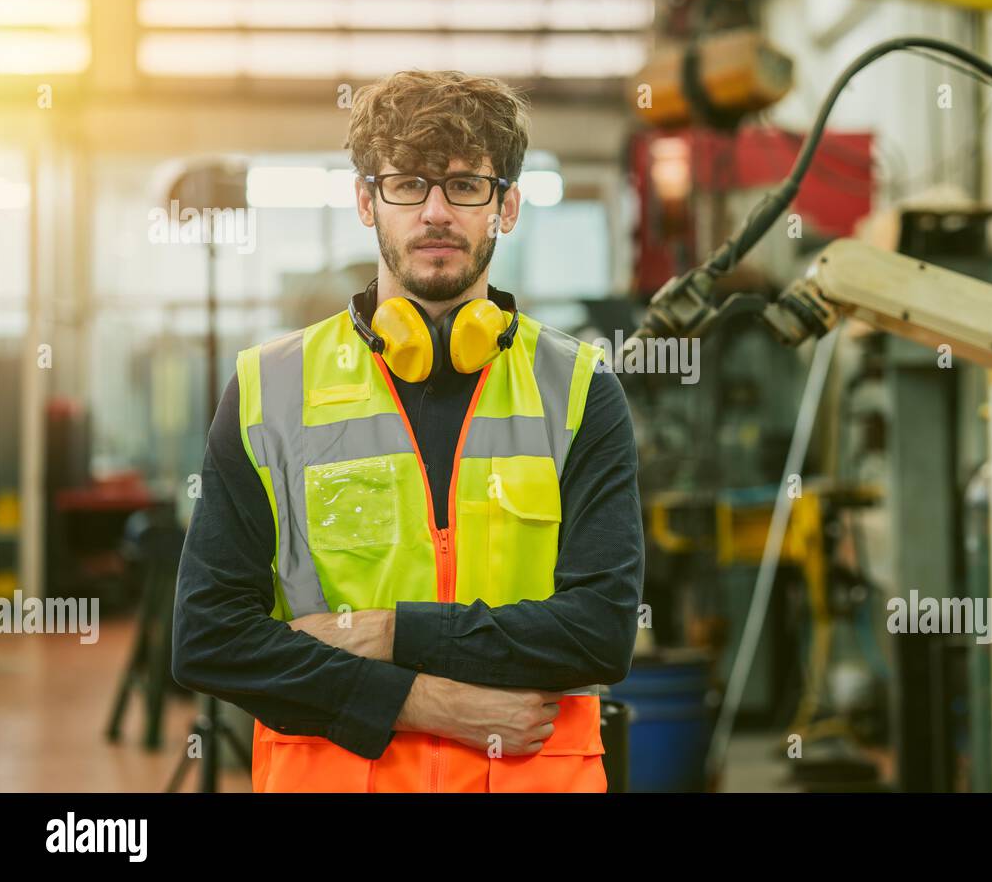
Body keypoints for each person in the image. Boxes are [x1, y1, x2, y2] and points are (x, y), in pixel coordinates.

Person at [172, 70, 644, 792]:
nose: (434, 212)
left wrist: (384, 632)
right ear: (367, 201)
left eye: (464, 186)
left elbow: (599, 632)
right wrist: (430, 705)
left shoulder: (580, 390)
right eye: (407, 185)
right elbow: (209, 639)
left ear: (506, 206)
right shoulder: (270, 389)